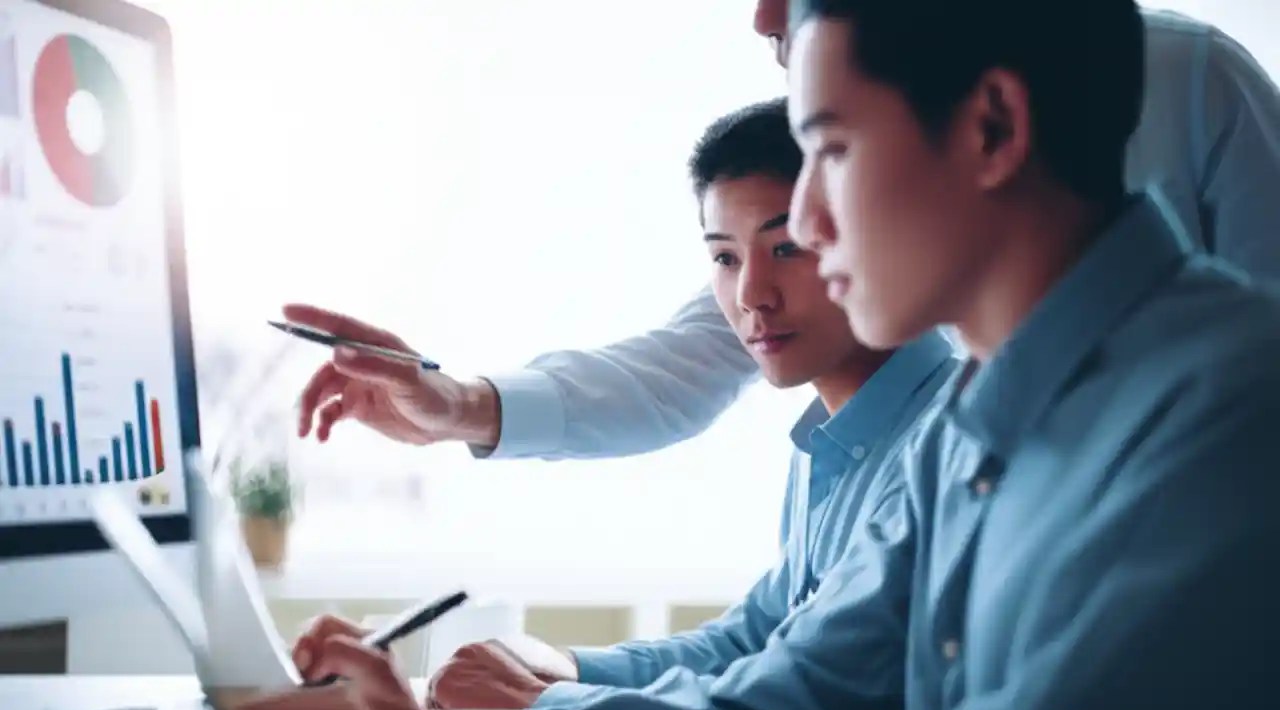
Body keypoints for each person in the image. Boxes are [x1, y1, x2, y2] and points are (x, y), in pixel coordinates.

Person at [287, 0, 1280, 465]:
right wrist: (461, 403)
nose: (758, 12)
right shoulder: (934, 471)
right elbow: (704, 348)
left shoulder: (1189, 83)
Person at [281, 97, 956, 710]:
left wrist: (544, 704)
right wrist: (566, 666)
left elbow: (793, 697)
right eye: (723, 258)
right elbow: (760, 637)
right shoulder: (835, 442)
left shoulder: (941, 447)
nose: (751, 295)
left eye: (787, 248)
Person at [783, 0, 1280, 710]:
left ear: (994, 129)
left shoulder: (1233, 417)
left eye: (832, 151)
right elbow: (801, 686)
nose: (805, 221)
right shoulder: (957, 433)